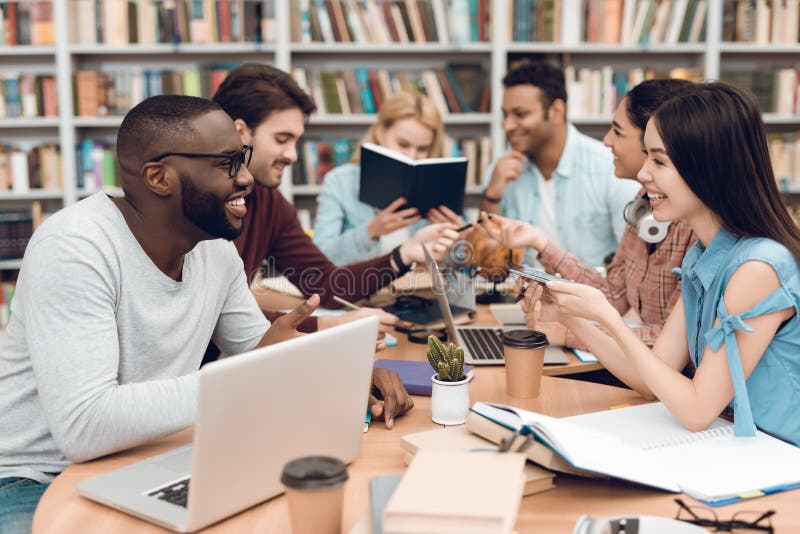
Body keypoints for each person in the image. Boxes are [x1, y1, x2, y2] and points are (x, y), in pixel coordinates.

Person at [0, 96, 401, 532]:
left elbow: (261, 352)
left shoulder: (215, 251)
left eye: (243, 158)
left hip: (151, 457)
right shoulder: (75, 248)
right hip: (34, 477)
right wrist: (255, 374)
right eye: (227, 163)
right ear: (159, 177)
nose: (246, 177)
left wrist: (346, 376)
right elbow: (85, 425)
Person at [521, 82, 800, 445]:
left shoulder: (758, 269)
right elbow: (650, 379)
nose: (643, 174)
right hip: (737, 445)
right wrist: (570, 317)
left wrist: (606, 315)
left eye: (659, 161)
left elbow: (698, 411)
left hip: (779, 456)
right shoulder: (703, 256)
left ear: (707, 168)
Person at [212, 64, 459, 334]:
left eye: (295, 142)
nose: (292, 155)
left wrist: (404, 254)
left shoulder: (270, 203)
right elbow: (221, 313)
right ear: (240, 133)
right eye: (282, 139)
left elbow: (324, 283)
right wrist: (330, 324)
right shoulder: (198, 201)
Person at [481, 78, 697, 349]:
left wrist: (570, 334)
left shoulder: (697, 223)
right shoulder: (643, 200)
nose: (606, 141)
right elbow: (613, 295)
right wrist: (541, 244)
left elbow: (673, 344)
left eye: (618, 132)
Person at [479, 61, 640, 266]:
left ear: (556, 111)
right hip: (520, 287)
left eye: (520, 114)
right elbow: (489, 265)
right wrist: (491, 197)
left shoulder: (610, 168)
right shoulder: (499, 172)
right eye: (505, 115)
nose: (507, 125)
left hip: (591, 286)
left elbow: (631, 264)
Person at [312, 90, 464, 266]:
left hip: (420, 283)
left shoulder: (438, 184)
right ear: (380, 132)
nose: (412, 156)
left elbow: (462, 265)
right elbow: (320, 259)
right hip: (363, 283)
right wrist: (371, 231)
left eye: (423, 149)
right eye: (403, 144)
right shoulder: (339, 182)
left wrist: (461, 236)